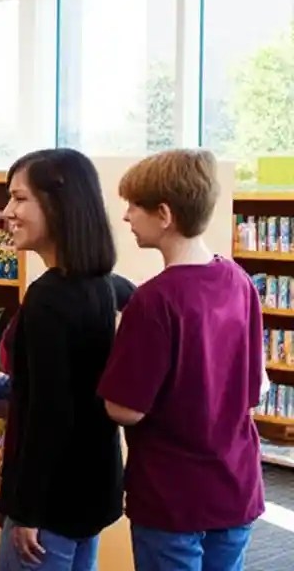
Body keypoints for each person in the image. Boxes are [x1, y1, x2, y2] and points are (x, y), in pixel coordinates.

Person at [98, 148, 265, 571]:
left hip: (173, 497)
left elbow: (125, 409)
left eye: (134, 206)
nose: (126, 217)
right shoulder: (239, 280)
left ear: (165, 214)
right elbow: (257, 386)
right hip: (236, 486)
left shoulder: (153, 301)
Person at [0, 148, 131, 571]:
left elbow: (50, 413)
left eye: (19, 199)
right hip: (91, 488)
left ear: (58, 204)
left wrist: (29, 511)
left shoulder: (49, 298)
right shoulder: (107, 284)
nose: (6, 212)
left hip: (48, 503)